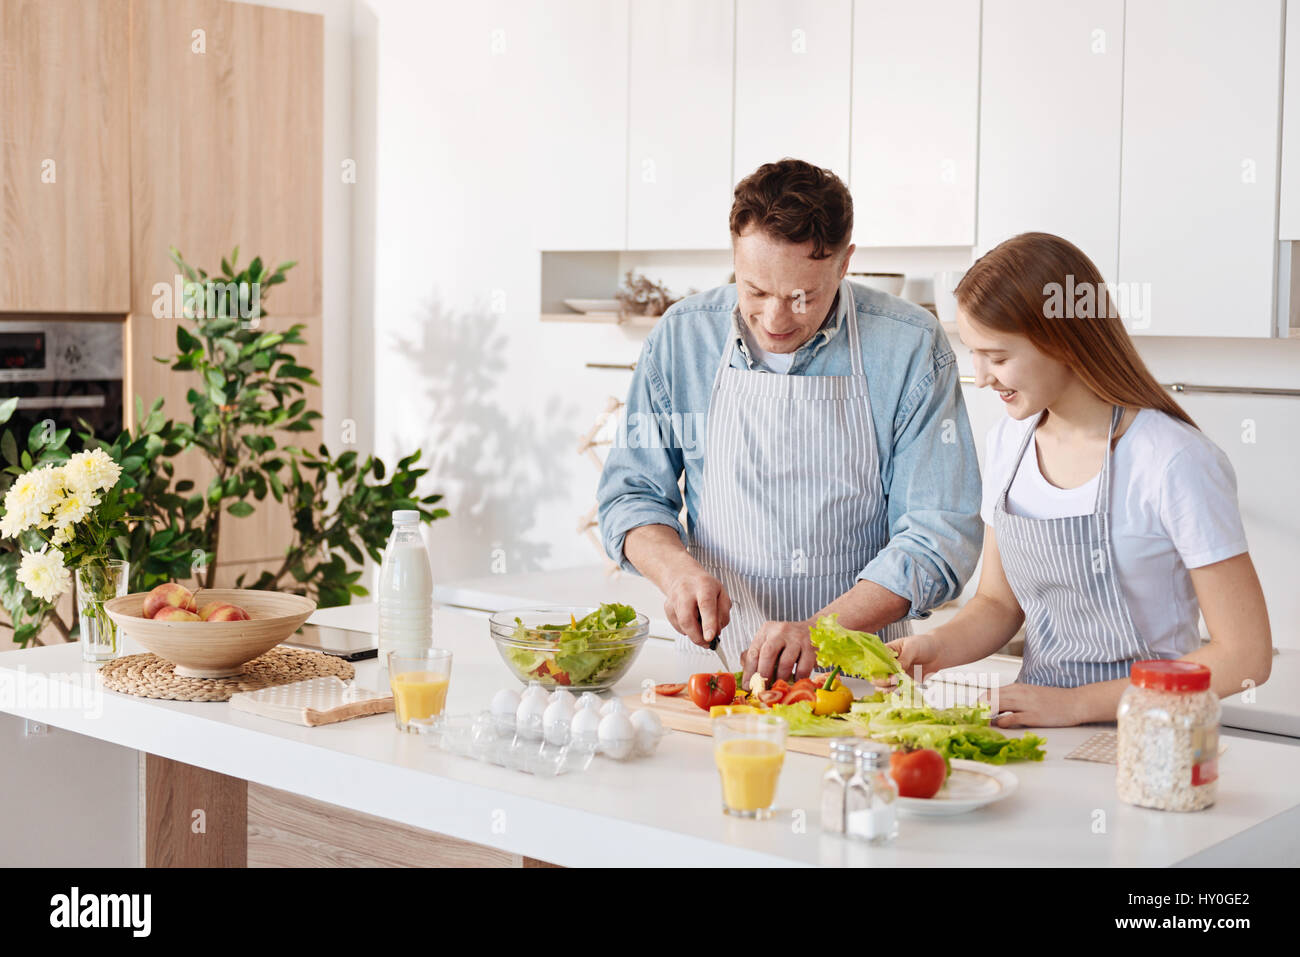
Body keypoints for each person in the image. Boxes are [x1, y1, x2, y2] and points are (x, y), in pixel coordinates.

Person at [596, 158, 983, 682]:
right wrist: (677, 573)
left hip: (857, 676)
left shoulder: (910, 345)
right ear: (734, 256)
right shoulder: (681, 338)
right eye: (754, 291)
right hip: (715, 672)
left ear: (845, 264)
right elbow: (631, 495)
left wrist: (821, 630)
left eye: (802, 297)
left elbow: (939, 535)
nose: (775, 321)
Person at [886, 232, 1273, 727]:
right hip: (1037, 734)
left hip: (1155, 740)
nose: (981, 377)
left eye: (999, 357)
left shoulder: (1173, 461)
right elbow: (998, 603)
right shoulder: (1010, 442)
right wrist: (934, 647)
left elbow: (1245, 656)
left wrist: (1076, 705)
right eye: (974, 354)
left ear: (1062, 342)